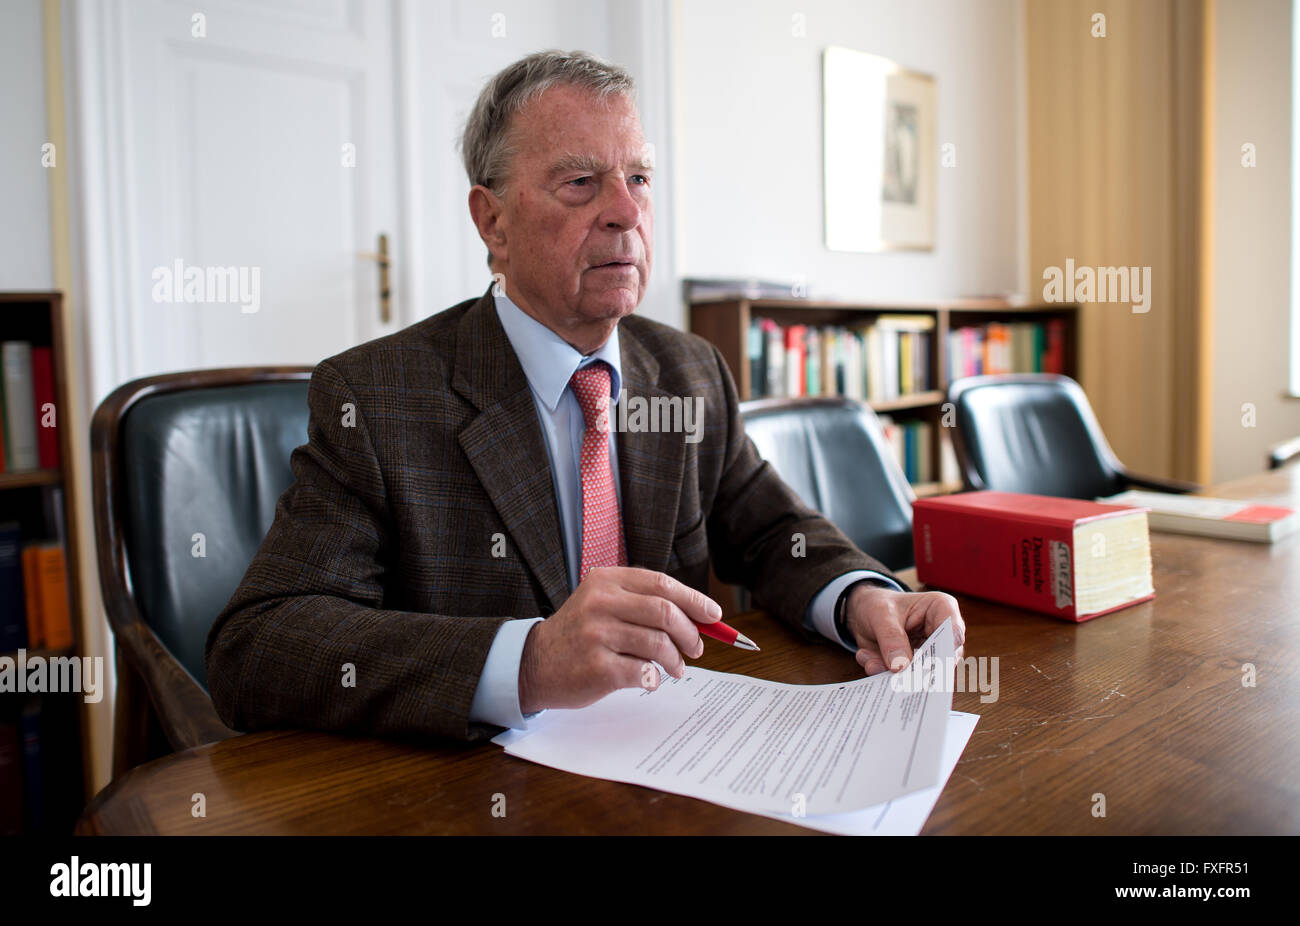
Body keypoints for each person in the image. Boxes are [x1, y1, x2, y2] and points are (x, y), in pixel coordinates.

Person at [205, 49, 965, 742]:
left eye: (638, 178)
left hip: (670, 764)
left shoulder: (689, 370)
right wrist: (527, 661)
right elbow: (260, 646)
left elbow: (773, 533)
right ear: (491, 221)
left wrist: (863, 599)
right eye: (580, 182)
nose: (626, 211)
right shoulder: (376, 398)